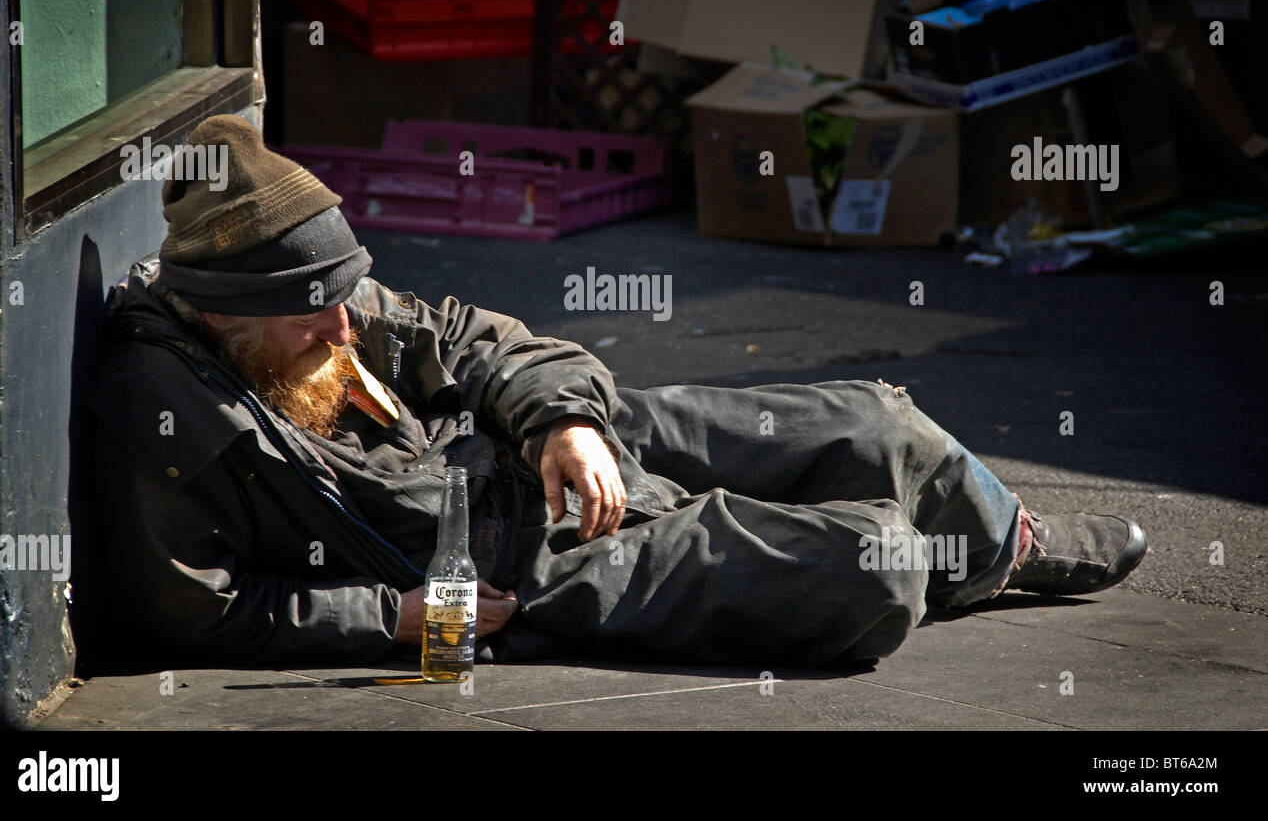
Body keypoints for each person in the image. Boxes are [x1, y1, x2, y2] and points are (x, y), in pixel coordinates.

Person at [82, 115, 1147, 671]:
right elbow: (201, 619)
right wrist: (395, 618)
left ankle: (1000, 546)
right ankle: (945, 558)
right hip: (514, 559)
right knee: (873, 567)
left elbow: (479, 336)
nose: (342, 326)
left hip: (525, 450)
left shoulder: (318, 302)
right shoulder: (167, 413)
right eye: (313, 312)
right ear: (223, 310)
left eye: (344, 295)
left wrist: (567, 421)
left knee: (877, 417)